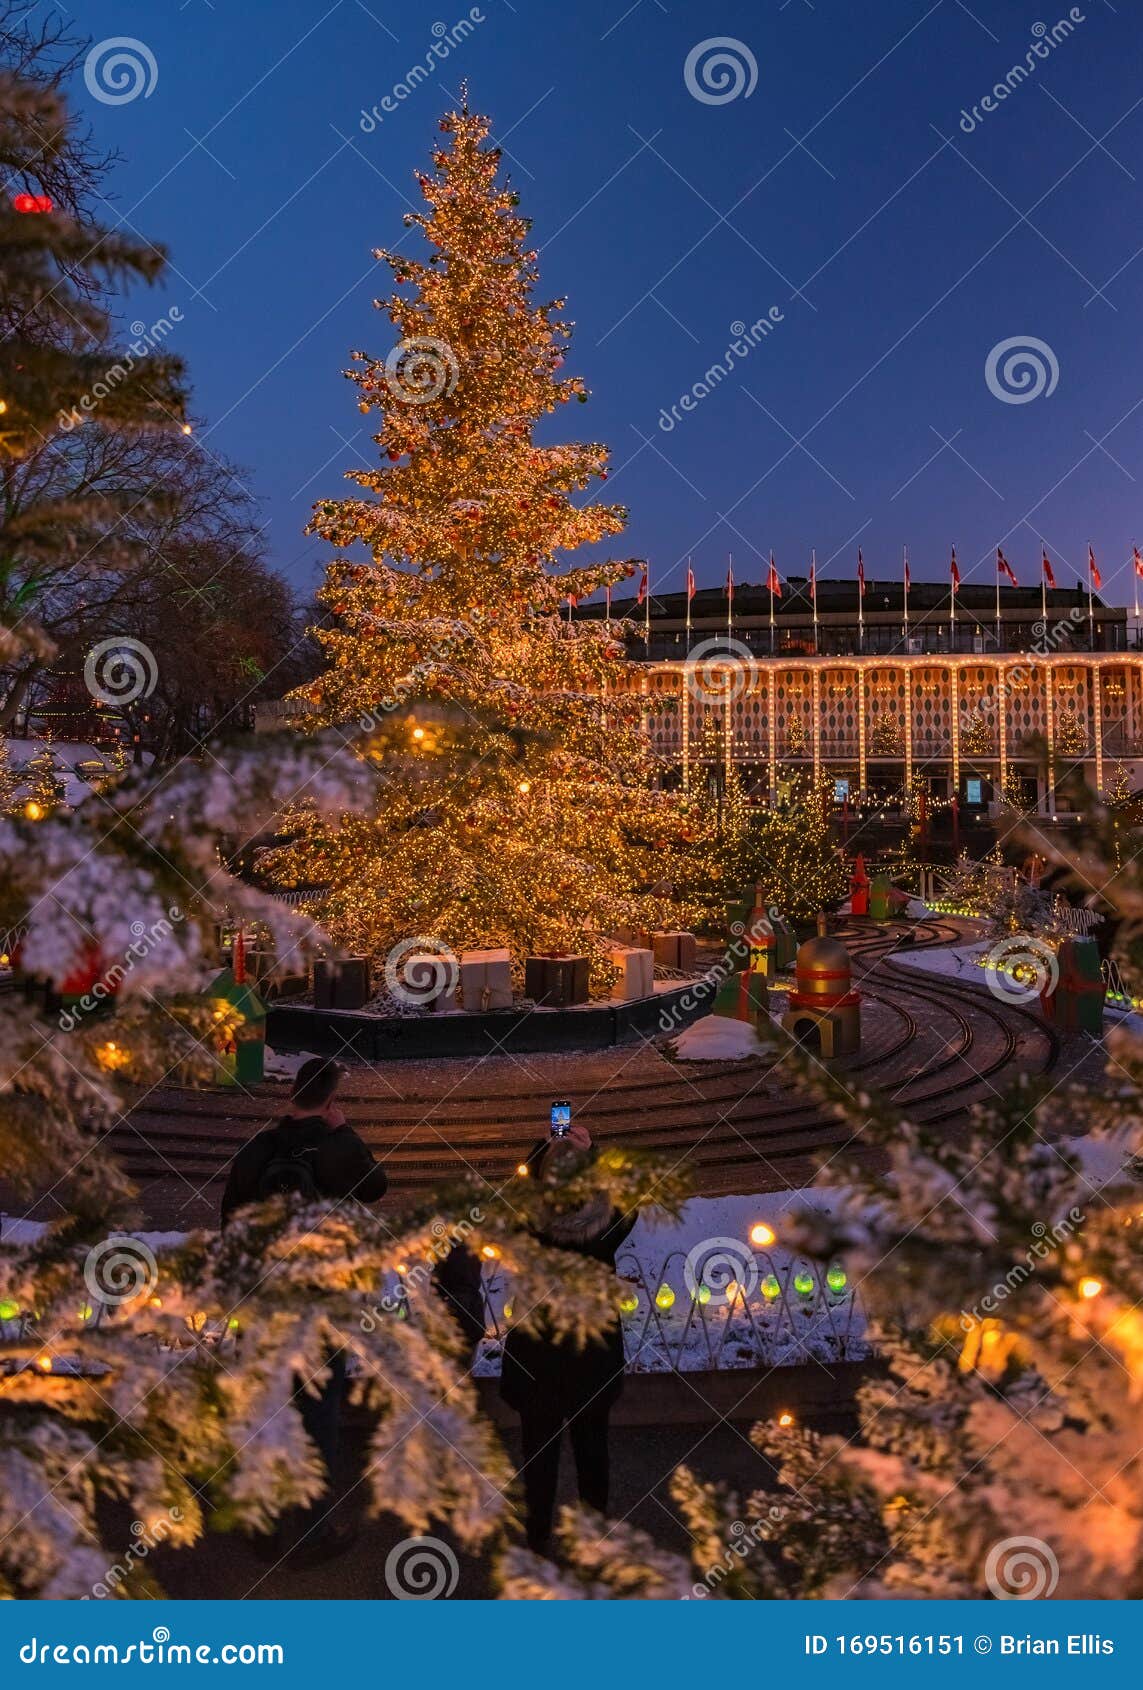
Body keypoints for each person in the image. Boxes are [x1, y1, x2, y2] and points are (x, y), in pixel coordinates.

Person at [220, 1057, 388, 1563]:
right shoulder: (337, 1151)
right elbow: (376, 1186)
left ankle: (263, 1526)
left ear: (291, 1094)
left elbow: (230, 1226)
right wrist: (345, 1131)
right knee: (317, 1419)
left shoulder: (257, 1151)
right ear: (332, 1101)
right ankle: (311, 1532)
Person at [499, 1121, 638, 1556]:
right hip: (590, 1356)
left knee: (538, 1454)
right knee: (592, 1449)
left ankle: (538, 1535)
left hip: (536, 1357)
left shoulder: (525, 1221)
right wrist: (591, 1153)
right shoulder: (607, 1223)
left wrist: (541, 1150)